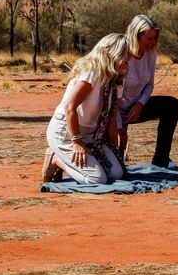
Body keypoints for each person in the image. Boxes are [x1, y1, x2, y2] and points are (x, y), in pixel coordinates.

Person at [41, 33, 132, 185]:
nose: (129, 58)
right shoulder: (92, 72)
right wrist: (76, 142)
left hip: (92, 136)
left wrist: (114, 151)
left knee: (116, 174)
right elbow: (70, 107)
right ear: (113, 54)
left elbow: (111, 121)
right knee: (96, 179)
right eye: (126, 54)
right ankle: (56, 160)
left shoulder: (117, 79)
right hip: (66, 133)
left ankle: (85, 161)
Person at [114, 15, 178, 168]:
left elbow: (150, 84)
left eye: (155, 38)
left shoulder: (150, 53)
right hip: (113, 112)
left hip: (135, 108)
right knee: (116, 168)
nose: (153, 43)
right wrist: (119, 126)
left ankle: (161, 160)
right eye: (149, 39)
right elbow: (112, 96)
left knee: (171, 105)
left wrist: (140, 104)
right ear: (136, 35)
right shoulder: (121, 55)